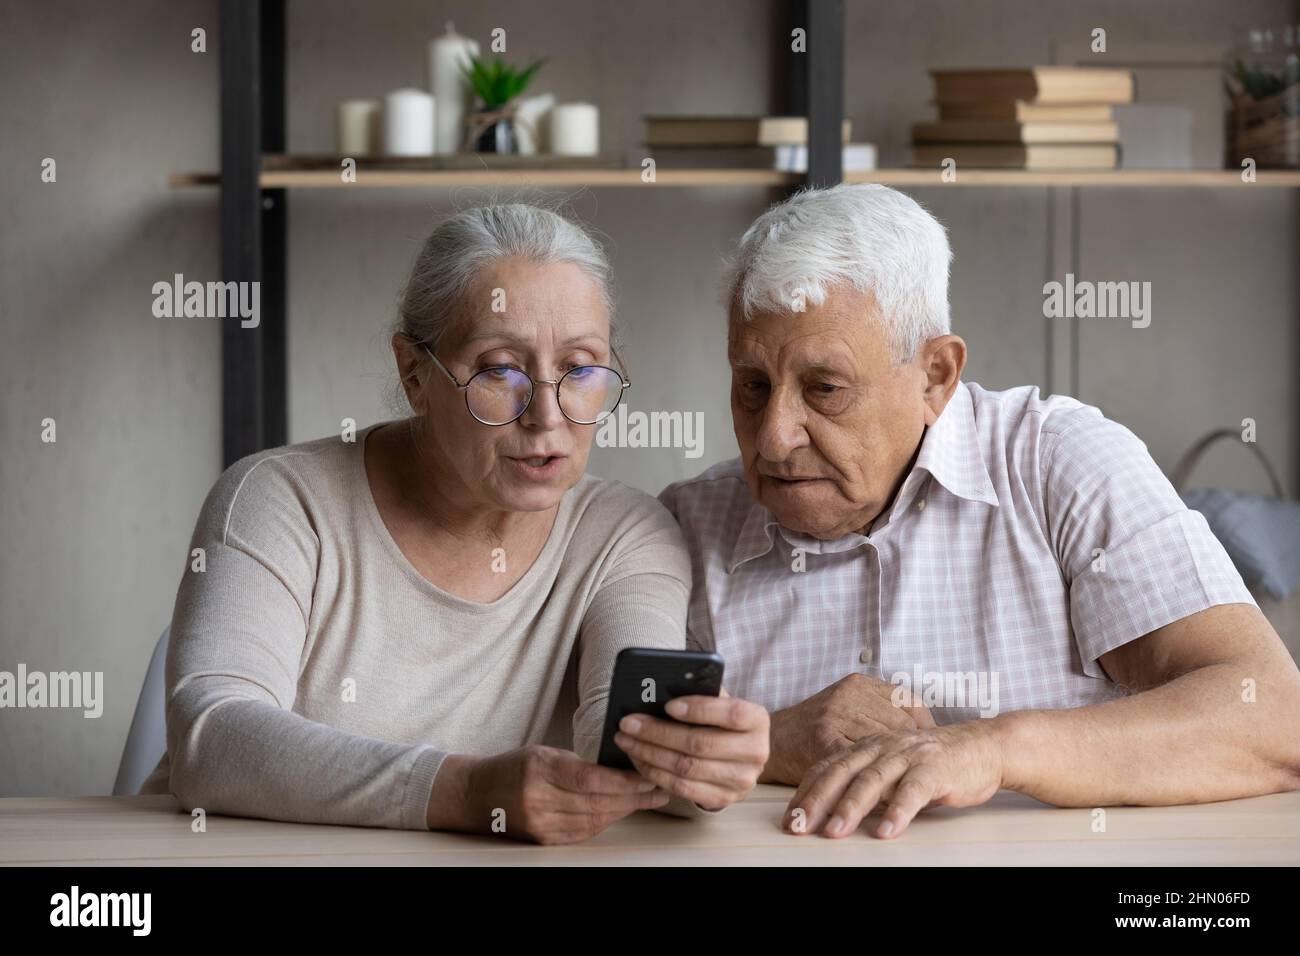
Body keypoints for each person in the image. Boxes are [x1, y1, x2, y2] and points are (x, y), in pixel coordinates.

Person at [659, 183, 1300, 840]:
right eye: (752, 387)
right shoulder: (686, 527)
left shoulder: (1060, 464)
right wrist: (770, 740)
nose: (773, 437)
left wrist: (994, 750)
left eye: (825, 389)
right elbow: (618, 757)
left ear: (935, 375)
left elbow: (1272, 716)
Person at [141, 203, 769, 844]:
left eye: (579, 368)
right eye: (500, 369)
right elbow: (211, 737)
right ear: (415, 374)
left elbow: (620, 734)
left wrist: (694, 764)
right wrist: (465, 791)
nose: (546, 417)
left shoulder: (627, 534)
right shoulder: (279, 501)